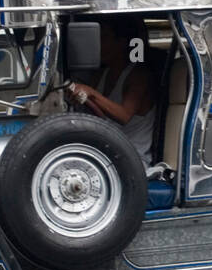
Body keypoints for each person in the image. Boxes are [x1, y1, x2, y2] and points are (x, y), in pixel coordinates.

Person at [66, 15, 156, 166]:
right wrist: (81, 97)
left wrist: (91, 92)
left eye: (104, 38)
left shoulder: (138, 75)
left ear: (121, 43)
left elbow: (124, 115)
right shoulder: (102, 74)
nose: (97, 44)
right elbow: (103, 118)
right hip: (107, 152)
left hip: (132, 159)